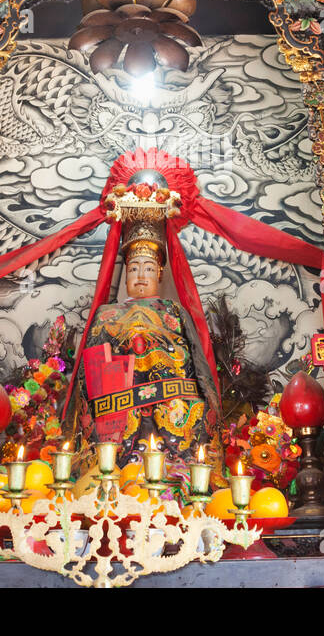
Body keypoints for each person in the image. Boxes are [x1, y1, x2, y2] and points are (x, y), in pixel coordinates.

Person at [75, 199, 218, 466]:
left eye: (149, 268)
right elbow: (89, 374)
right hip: (119, 411)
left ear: (160, 273)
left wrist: (206, 407)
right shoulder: (106, 314)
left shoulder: (174, 311)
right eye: (133, 268)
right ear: (125, 275)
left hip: (173, 408)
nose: (141, 275)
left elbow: (199, 367)